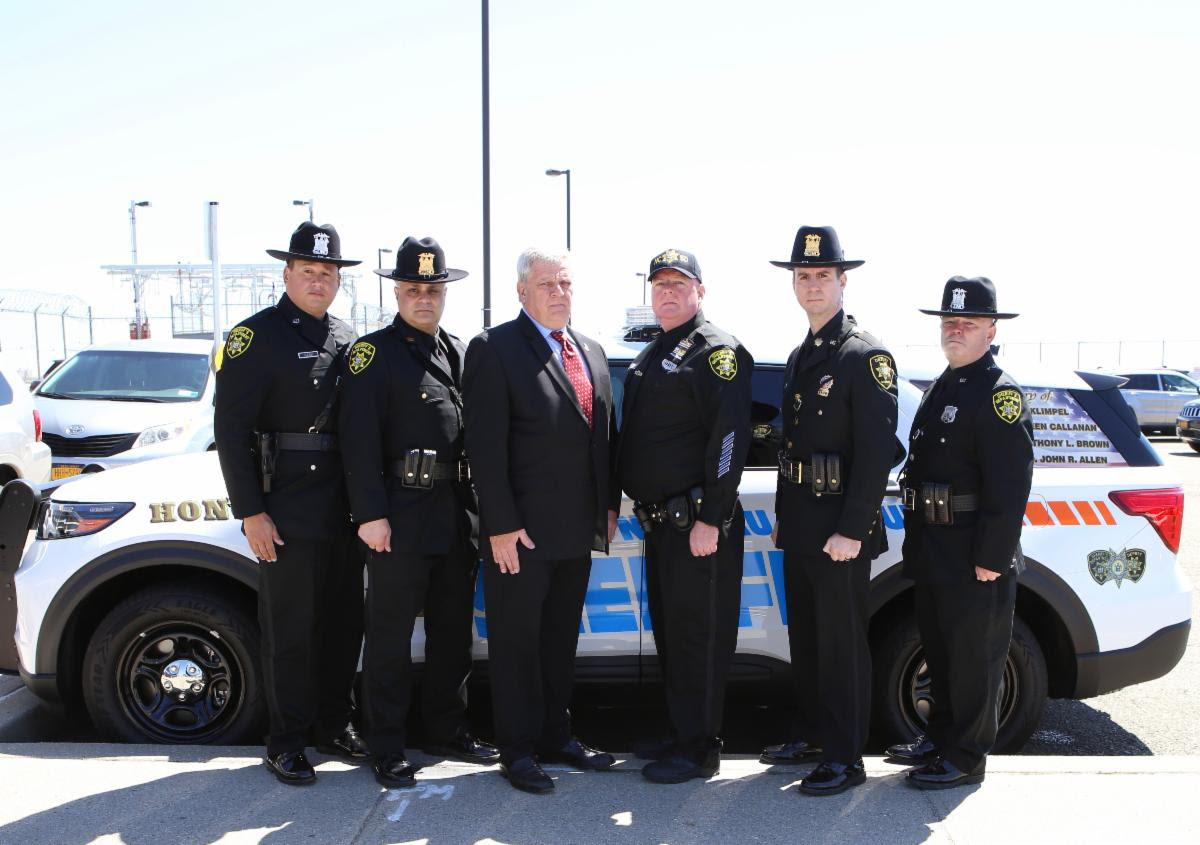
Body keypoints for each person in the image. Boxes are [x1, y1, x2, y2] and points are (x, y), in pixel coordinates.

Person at [339, 237, 498, 789]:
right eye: (413, 289)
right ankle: (385, 744)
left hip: (455, 517)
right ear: (397, 292)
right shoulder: (372, 355)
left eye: (433, 289)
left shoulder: (458, 351)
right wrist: (369, 514)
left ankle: (445, 730)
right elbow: (356, 442)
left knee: (453, 634)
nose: (424, 298)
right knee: (388, 636)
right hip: (398, 519)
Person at [214, 222, 368, 786]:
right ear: (287, 274)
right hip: (284, 511)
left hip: (344, 510)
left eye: (328, 273)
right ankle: (286, 741)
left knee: (343, 625)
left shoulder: (350, 339)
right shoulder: (254, 339)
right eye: (308, 271)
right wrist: (251, 512)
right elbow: (231, 433)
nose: (318, 282)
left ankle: (334, 723)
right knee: (291, 632)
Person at [462, 249, 619, 795]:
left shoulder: (592, 351)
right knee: (516, 647)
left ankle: (558, 736)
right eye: (547, 283)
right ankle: (519, 750)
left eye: (566, 282)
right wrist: (499, 525)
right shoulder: (494, 348)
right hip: (520, 535)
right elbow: (484, 446)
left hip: (575, 531)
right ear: (522, 292)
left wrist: (609, 507)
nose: (558, 292)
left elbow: (603, 439)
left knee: (558, 643)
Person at [760, 226, 902, 796]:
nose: (812, 285)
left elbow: (876, 454)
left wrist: (851, 529)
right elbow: (792, 444)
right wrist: (784, 515)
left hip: (840, 526)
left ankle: (846, 758)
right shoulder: (804, 354)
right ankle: (816, 734)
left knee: (842, 644)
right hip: (803, 521)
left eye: (822, 275)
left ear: (843, 282)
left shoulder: (865, 355)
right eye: (803, 276)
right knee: (810, 640)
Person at [888, 276, 1033, 789]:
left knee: (974, 658)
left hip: (974, 549)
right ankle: (939, 739)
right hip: (935, 547)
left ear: (991, 331)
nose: (955, 330)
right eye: (950, 322)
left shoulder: (998, 395)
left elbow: (1011, 485)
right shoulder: (946, 385)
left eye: (967, 323)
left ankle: (966, 757)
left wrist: (991, 555)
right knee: (942, 649)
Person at [614, 248, 753, 784]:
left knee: (699, 638)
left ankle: (700, 749)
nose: (668, 292)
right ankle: (680, 732)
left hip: (696, 523)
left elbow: (730, 440)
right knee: (673, 635)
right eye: (659, 284)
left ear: (700, 291)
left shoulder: (715, 351)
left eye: (679, 283)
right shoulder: (657, 351)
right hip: (663, 524)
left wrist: (711, 517)